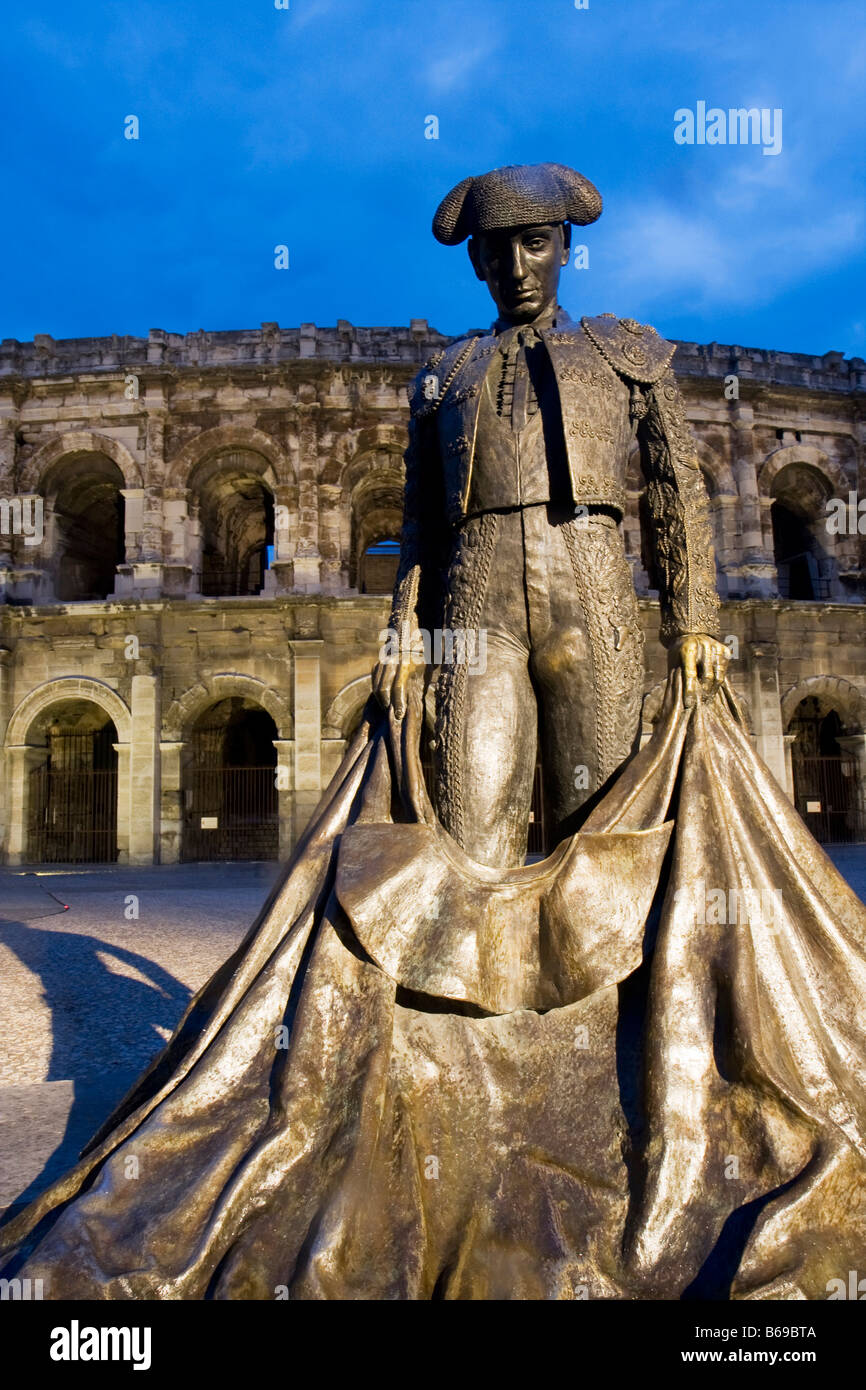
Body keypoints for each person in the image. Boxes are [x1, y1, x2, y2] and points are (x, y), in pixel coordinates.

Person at [374, 162, 730, 867]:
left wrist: (694, 621)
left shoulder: (625, 353)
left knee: (597, 842)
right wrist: (406, 633)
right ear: (475, 261)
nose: (517, 267)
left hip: (592, 598)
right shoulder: (445, 376)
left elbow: (676, 488)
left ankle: (598, 985)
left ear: (565, 244)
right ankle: (473, 981)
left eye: (534, 243)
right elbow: (419, 523)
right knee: (471, 838)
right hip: (477, 610)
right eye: (495, 250)